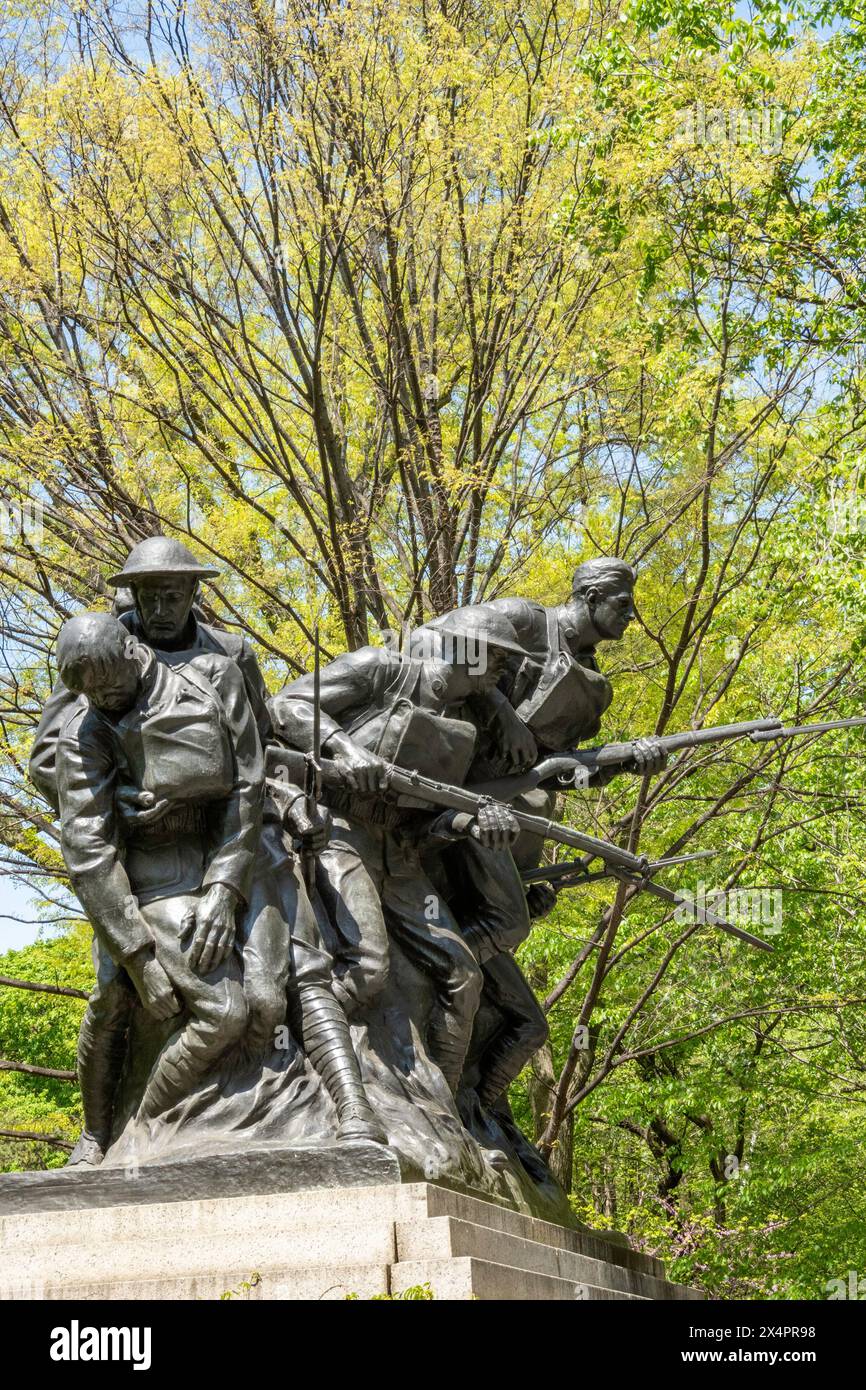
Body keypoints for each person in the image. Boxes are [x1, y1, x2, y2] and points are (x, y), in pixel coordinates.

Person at [267, 614, 528, 1096]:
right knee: (367, 969)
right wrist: (345, 748)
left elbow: (431, 821)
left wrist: (472, 824)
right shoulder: (383, 669)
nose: (504, 670)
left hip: (400, 855)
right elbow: (286, 705)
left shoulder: (464, 726)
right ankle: (283, 1057)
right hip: (341, 830)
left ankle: (444, 1113)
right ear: (466, 649)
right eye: (498, 656)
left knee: (464, 977)